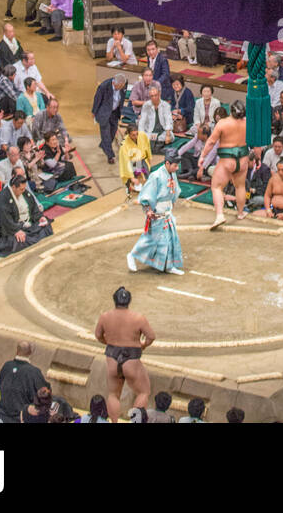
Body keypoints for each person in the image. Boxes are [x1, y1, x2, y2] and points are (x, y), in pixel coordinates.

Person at [95, 286, 155, 422]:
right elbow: (151, 336)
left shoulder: (105, 316)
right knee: (143, 392)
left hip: (112, 357)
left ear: (114, 300)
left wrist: (108, 342)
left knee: (113, 394)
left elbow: (98, 335)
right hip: (131, 359)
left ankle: (114, 422)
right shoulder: (139, 318)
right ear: (129, 301)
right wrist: (143, 345)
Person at [127, 149, 183, 275]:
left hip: (167, 211)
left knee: (169, 239)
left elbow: (175, 190)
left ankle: (169, 266)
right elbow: (147, 194)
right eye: (175, 165)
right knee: (150, 239)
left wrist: (172, 202)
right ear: (167, 163)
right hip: (157, 212)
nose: (177, 168)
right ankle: (131, 255)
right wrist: (148, 210)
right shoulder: (156, 176)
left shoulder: (172, 174)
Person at [198, 100, 248, 229]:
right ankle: (241, 213)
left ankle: (220, 215)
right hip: (243, 159)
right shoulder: (248, 123)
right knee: (240, 186)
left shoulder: (223, 123)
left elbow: (211, 142)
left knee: (216, 187)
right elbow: (257, 143)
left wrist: (203, 156)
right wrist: (258, 157)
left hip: (227, 160)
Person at [91, 73, 127, 164]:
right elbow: (97, 99)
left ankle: (104, 145)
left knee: (112, 132)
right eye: (120, 86)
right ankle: (110, 156)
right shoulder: (104, 86)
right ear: (114, 83)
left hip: (115, 112)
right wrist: (94, 112)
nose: (121, 88)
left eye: (122, 86)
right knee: (106, 134)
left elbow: (121, 98)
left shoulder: (123, 85)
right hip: (104, 113)